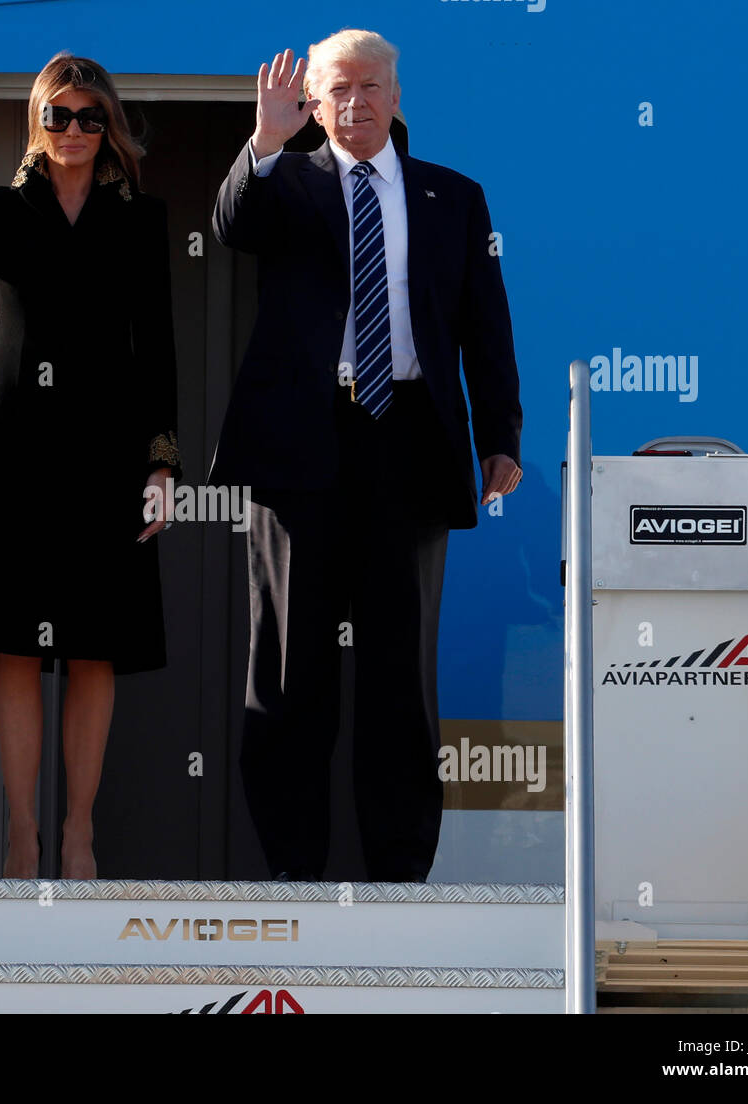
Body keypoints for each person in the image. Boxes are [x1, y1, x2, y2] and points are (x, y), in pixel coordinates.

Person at [209, 30, 523, 882]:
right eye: (337, 90)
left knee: (400, 680)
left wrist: (500, 435)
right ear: (314, 100)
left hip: (411, 444)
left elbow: (483, 325)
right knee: (287, 674)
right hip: (300, 447)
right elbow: (232, 223)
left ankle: (398, 878)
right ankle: (294, 878)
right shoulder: (284, 182)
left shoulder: (452, 197)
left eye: (371, 87)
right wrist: (265, 141)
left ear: (395, 93)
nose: (355, 104)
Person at [0, 53, 181, 880]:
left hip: (105, 447)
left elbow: (159, 349)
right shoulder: (1, 205)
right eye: (58, 115)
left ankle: (78, 831)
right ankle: (22, 832)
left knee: (96, 647)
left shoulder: (140, 219)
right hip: (12, 441)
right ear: (38, 120)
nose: (73, 131)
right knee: (16, 647)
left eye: (89, 117)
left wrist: (161, 462)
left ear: (109, 127)